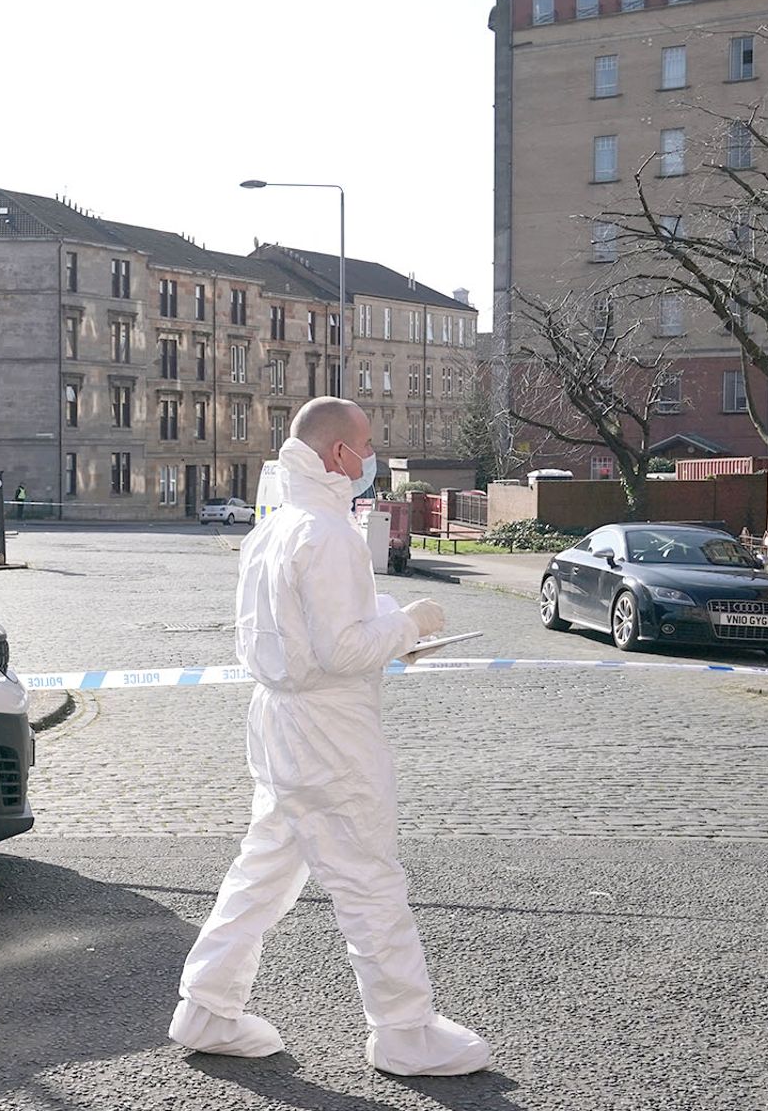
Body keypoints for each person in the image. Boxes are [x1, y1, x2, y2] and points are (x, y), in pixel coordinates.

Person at [168, 397, 491, 1077]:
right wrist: (408, 625)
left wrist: (387, 631)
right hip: (329, 729)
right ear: (338, 455)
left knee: (264, 870)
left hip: (281, 720)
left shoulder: (276, 528)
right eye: (365, 443)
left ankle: (206, 1005)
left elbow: (297, 634)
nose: (371, 455)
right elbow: (342, 650)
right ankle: (405, 1030)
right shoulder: (330, 531)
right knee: (368, 877)